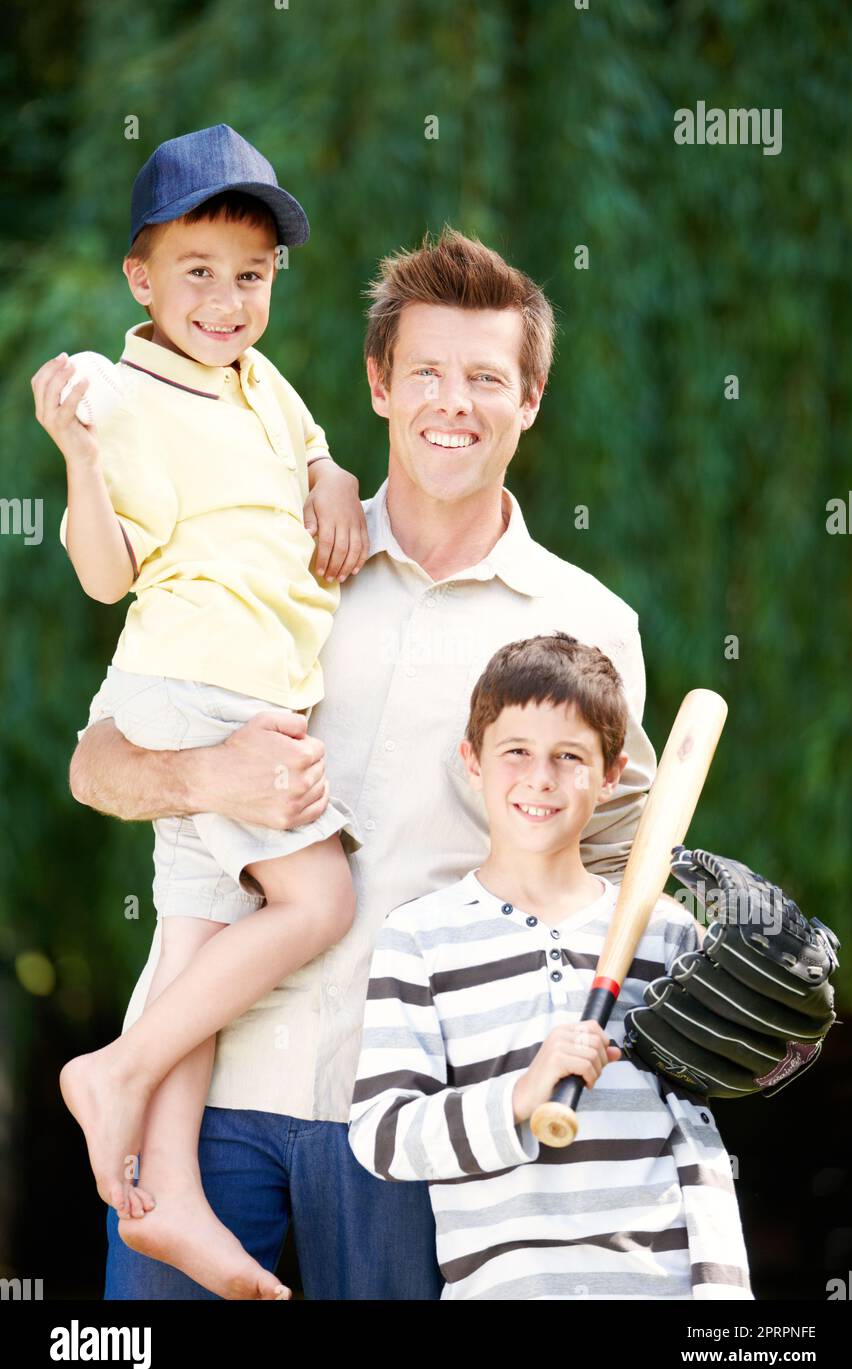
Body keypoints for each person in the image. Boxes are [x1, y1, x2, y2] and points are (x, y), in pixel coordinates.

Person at [68, 226, 661, 1300]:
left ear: (528, 399)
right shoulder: (264, 555)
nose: (453, 402)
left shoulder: (591, 627)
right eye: (425, 372)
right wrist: (207, 779)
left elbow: (613, 874)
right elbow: (99, 764)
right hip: (203, 1093)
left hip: (416, 1125)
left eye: (486, 377)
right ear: (378, 384)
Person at [31, 125, 369, 1300]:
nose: (226, 300)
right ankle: (115, 1072)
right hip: (195, 688)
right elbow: (104, 572)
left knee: (197, 943)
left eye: (252, 276)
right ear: (139, 276)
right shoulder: (117, 395)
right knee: (317, 897)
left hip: (235, 683)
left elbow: (314, 453)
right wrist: (74, 451)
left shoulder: (258, 383)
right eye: (197, 272)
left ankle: (164, 1184)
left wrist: (329, 478)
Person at [348, 634, 752, 1301]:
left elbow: (747, 1070)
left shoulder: (667, 931)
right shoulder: (420, 939)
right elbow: (382, 1136)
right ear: (472, 763)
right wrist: (521, 1094)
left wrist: (785, 1001)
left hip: (667, 1284)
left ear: (612, 772)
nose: (541, 778)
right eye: (516, 753)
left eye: (570, 757)